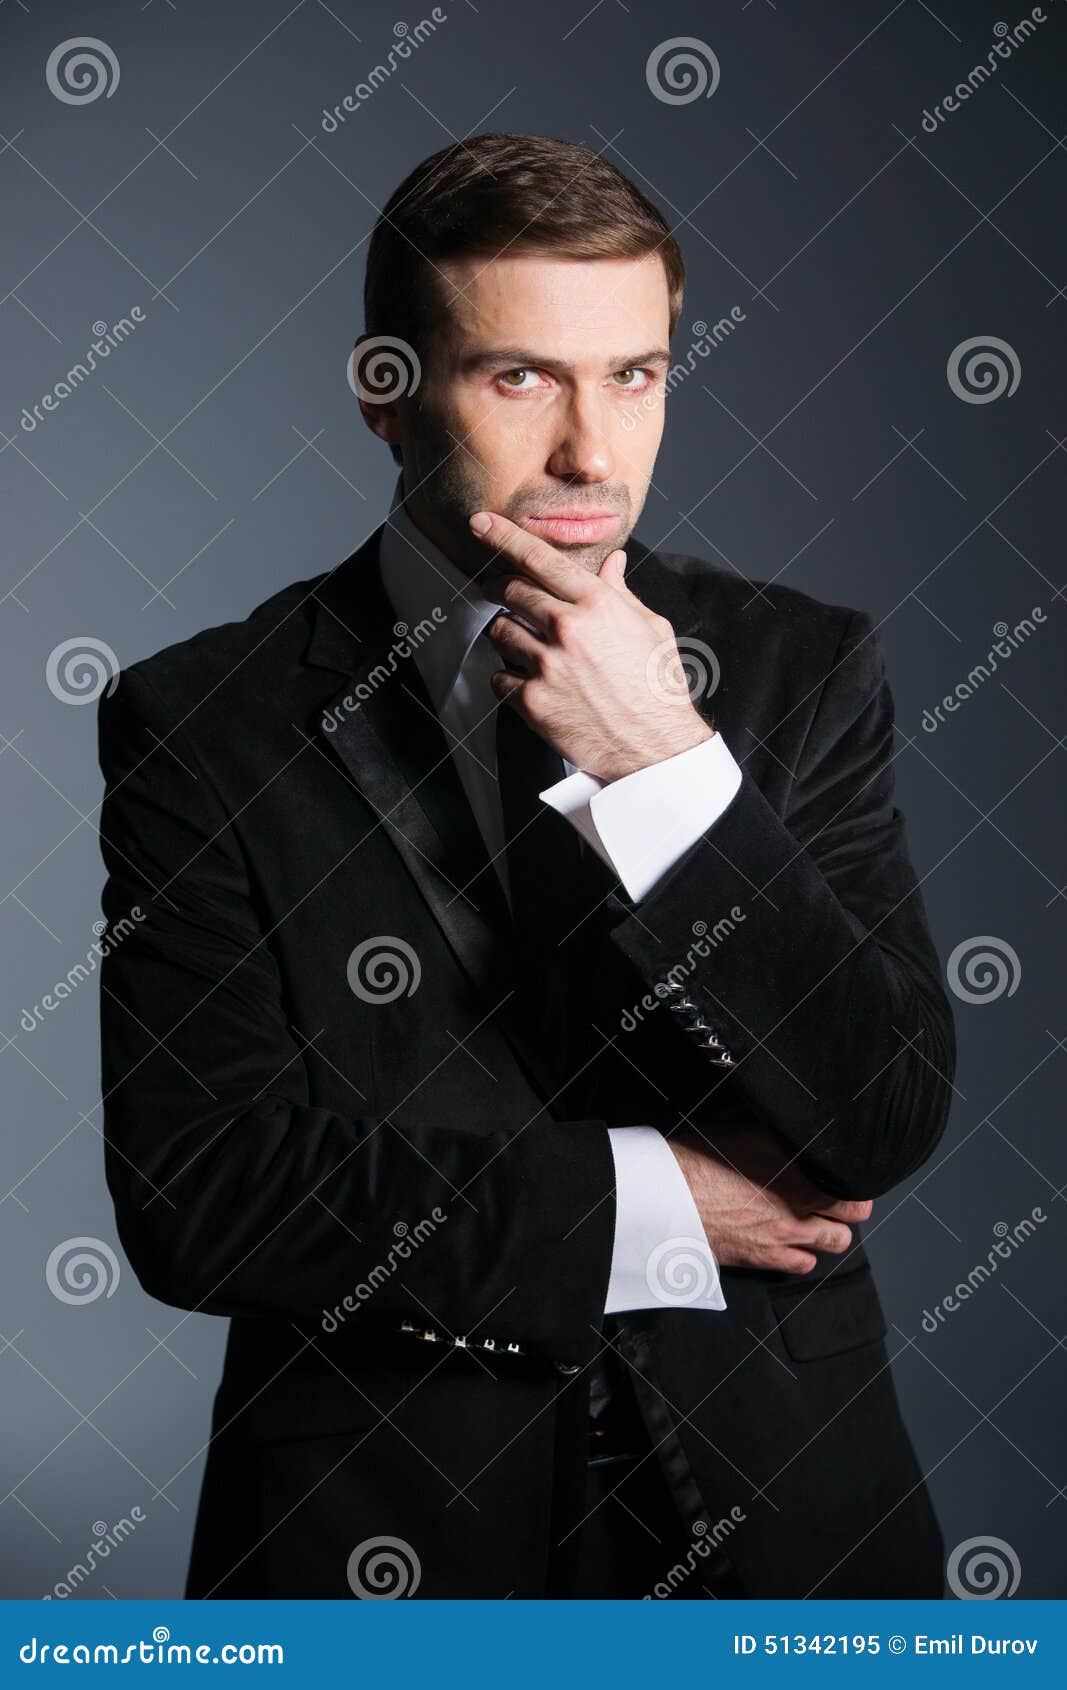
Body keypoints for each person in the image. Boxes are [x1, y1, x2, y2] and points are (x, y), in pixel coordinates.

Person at [96, 131, 955, 1599]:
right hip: (387, 1525)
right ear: (388, 395)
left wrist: (672, 772)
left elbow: (876, 1107)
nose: (593, 452)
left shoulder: (800, 670)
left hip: (795, 1516)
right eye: (520, 378)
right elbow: (203, 1184)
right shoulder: (203, 720)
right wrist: (649, 1210)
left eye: (636, 373)